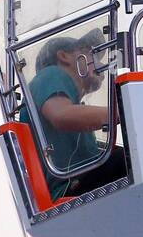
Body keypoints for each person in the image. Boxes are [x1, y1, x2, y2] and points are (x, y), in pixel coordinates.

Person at [21, 29, 127, 198]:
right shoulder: (51, 74)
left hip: (79, 182)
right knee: (131, 161)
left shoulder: (75, 106)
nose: (99, 64)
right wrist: (123, 112)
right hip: (70, 186)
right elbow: (61, 115)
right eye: (90, 53)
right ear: (64, 56)